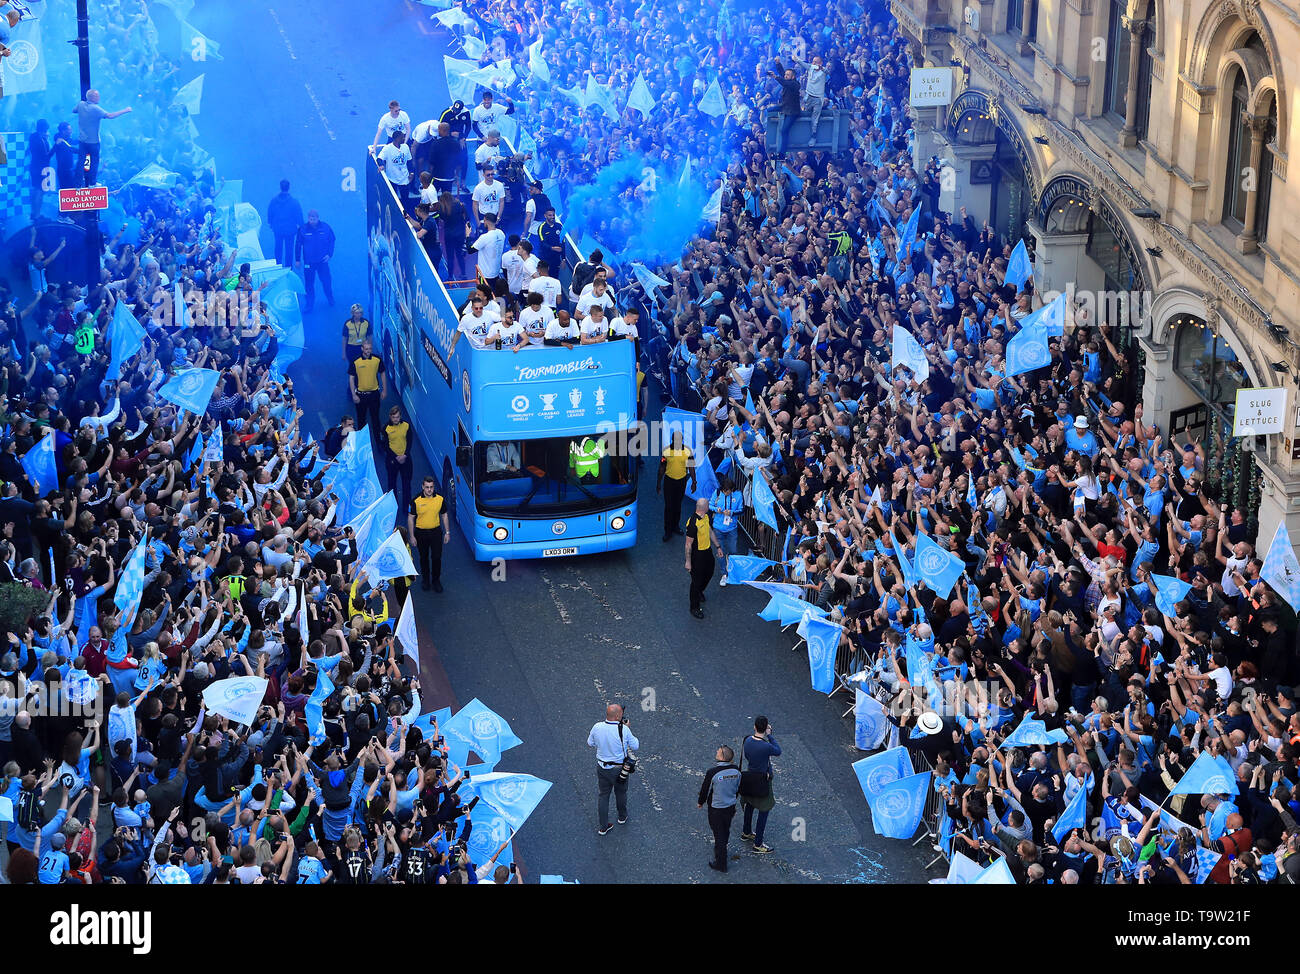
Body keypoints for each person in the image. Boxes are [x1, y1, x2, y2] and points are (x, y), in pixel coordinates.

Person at [587, 703, 638, 835]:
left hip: (602, 767)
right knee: (621, 793)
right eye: (621, 713)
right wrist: (627, 728)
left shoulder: (597, 727)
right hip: (619, 769)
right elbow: (635, 745)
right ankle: (622, 816)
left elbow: (590, 743)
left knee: (603, 795)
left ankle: (603, 826)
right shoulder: (624, 730)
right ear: (616, 716)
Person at [73, 89, 132, 186]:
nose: (99, 97)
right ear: (91, 97)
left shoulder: (81, 104)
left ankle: (78, 183)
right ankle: (92, 182)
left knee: (81, 161)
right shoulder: (95, 108)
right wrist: (125, 110)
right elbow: (110, 116)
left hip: (82, 141)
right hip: (93, 142)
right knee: (94, 162)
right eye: (97, 96)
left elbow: (74, 110)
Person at [740, 716, 780, 854]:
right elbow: (778, 751)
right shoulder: (767, 746)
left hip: (750, 777)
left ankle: (746, 832)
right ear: (766, 728)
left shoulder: (747, 740)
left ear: (754, 727)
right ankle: (758, 844)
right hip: (763, 780)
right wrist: (770, 736)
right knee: (764, 810)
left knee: (750, 804)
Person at [698, 744, 741, 872]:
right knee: (725, 828)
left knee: (718, 833)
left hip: (716, 808)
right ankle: (723, 843)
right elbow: (738, 788)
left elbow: (705, 789)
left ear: (722, 757)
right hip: (730, 806)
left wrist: (701, 802)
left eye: (719, 751)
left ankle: (721, 863)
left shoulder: (712, 772)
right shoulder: (736, 770)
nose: (717, 751)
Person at [408, 475, 450, 592]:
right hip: (420, 533)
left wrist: (447, 532)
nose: (429, 490)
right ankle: (426, 580)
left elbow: (444, 515)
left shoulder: (440, 499)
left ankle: (436, 580)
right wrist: (411, 536)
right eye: (427, 487)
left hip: (436, 532)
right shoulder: (416, 500)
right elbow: (410, 518)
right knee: (423, 558)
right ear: (422, 487)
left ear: (434, 487)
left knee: (437, 558)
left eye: (431, 487)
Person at [657, 430, 696, 542]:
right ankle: (667, 531)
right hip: (669, 481)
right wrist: (658, 483)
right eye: (676, 440)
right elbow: (661, 467)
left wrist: (694, 482)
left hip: (681, 481)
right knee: (669, 507)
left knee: (678, 505)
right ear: (672, 440)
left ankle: (675, 526)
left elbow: (691, 467)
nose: (678, 441)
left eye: (679, 440)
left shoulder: (688, 451)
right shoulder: (666, 451)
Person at [294, 209, 336, 312]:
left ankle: (330, 298)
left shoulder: (326, 227)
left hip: (322, 262)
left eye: (314, 218)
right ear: (308, 218)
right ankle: (309, 305)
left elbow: (332, 240)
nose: (312, 220)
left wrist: (329, 254)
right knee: (309, 284)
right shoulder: (302, 229)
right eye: (311, 219)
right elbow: (298, 245)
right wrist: (297, 260)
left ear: (318, 218)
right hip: (309, 263)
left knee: (326, 281)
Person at [348, 336, 386, 435]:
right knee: (361, 420)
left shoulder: (377, 359)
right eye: (366, 349)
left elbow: (382, 373)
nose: (368, 351)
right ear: (362, 349)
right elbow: (351, 378)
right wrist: (354, 395)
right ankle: (363, 443)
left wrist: (384, 390)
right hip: (360, 395)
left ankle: (378, 442)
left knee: (375, 419)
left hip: (374, 394)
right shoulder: (355, 361)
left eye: (370, 349)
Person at [685, 496, 715, 619]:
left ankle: (699, 591)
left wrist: (717, 546)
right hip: (697, 556)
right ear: (705, 508)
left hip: (707, 551)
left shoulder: (706, 517)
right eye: (708, 505)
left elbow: (710, 531)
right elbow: (688, 544)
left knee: (709, 573)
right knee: (696, 582)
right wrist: (688, 562)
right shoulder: (693, 523)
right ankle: (694, 607)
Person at [383, 405, 413, 514]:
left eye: (397, 417)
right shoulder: (386, 428)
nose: (396, 419)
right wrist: (396, 457)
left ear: (400, 416)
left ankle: (406, 508)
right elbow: (385, 446)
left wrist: (405, 455)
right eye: (394, 417)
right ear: (390, 417)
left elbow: (409, 441)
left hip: (406, 460)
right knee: (392, 485)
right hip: (392, 461)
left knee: (406, 484)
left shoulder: (406, 426)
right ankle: (393, 507)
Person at [266, 179, 304, 267]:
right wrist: (302, 226)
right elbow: (299, 215)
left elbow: (270, 214)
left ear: (280, 187)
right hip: (290, 230)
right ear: (289, 187)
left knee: (278, 249)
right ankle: (288, 269)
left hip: (278, 229)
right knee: (289, 251)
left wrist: (271, 224)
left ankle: (277, 267)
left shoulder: (274, 201)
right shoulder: (294, 202)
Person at [768, 62, 802, 156]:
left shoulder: (795, 84)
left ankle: (782, 152)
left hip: (792, 111)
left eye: (788, 75)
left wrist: (775, 77)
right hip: (784, 106)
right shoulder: (787, 81)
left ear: (793, 76)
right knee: (768, 110)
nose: (785, 76)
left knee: (784, 130)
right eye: (785, 75)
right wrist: (778, 64)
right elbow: (783, 75)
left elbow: (785, 82)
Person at [377, 130, 415, 210]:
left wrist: (411, 173)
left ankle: (405, 215)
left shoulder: (405, 147)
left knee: (405, 200)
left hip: (404, 178)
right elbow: (379, 159)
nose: (404, 138)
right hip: (392, 178)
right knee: (393, 200)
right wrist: (382, 165)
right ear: (397, 138)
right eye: (402, 137)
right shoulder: (387, 148)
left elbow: (409, 161)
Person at [27, 119, 51, 222]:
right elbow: (47, 155)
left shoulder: (33, 136)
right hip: (41, 168)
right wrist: (49, 143)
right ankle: (37, 215)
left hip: (35, 166)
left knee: (36, 189)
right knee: (40, 191)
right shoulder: (41, 140)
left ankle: (34, 213)